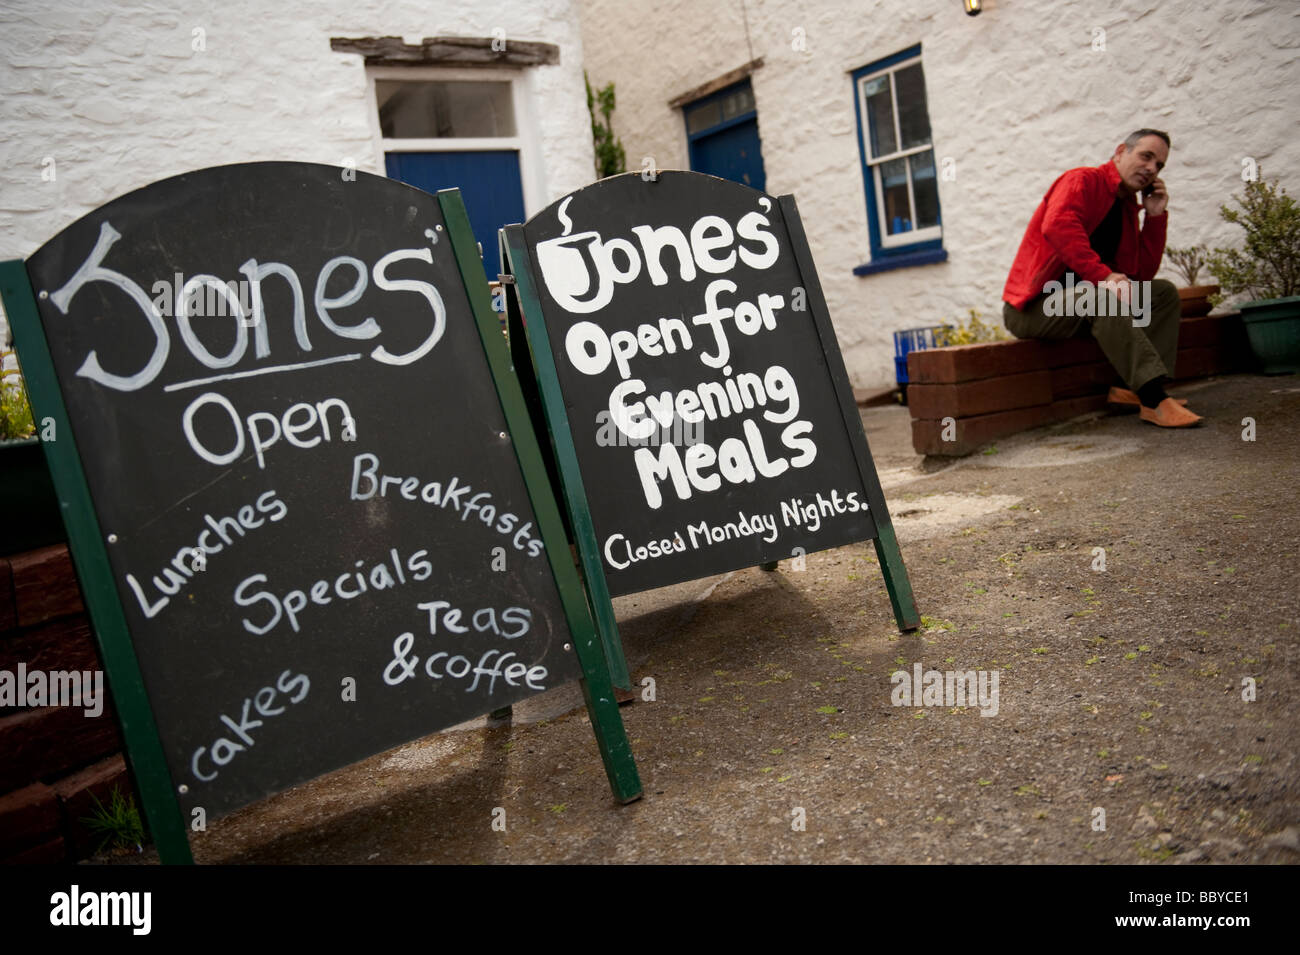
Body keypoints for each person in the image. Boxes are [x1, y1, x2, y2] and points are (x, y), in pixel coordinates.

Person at [1001, 129, 1202, 427]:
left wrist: (1155, 217)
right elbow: (1057, 227)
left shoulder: (1125, 209)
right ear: (1120, 152)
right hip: (1034, 308)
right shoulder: (1082, 180)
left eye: (1159, 165)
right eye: (1146, 156)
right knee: (1100, 296)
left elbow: (1141, 275)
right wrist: (1104, 276)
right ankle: (1153, 399)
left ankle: (1129, 389)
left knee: (1161, 294)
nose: (1151, 168)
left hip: (1082, 307)